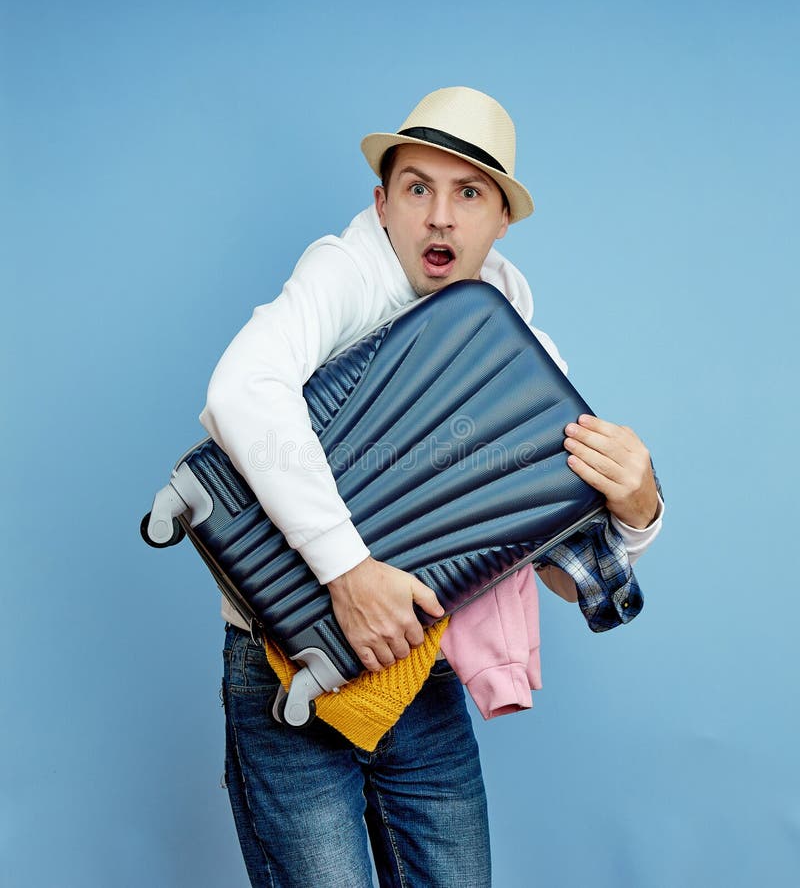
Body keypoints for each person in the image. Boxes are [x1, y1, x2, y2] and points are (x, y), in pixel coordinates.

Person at [201, 86, 663, 887]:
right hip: (287, 663)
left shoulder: (525, 355)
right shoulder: (345, 273)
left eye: (469, 193)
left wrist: (637, 510)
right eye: (418, 187)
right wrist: (347, 571)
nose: (440, 216)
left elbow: (556, 562)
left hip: (420, 676)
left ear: (501, 220)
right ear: (382, 202)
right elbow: (240, 390)